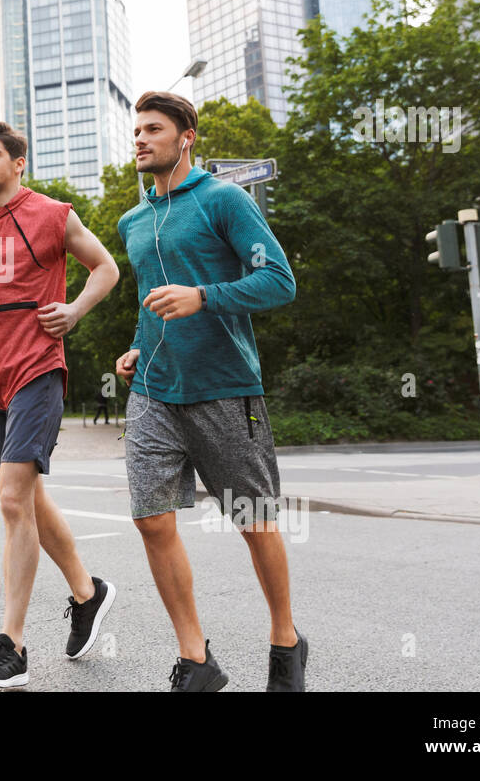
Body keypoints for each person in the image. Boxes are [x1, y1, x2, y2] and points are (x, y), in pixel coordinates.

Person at [114, 91, 306, 692]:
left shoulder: (224, 200)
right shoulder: (133, 220)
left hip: (224, 388)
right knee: (151, 518)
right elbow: (156, 295)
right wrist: (141, 345)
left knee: (254, 520)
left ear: (186, 137)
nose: (140, 139)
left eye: (153, 129)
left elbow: (279, 280)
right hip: (152, 391)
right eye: (136, 130)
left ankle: (285, 642)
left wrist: (206, 297)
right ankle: (196, 659)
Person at [0, 117, 120, 689]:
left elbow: (107, 268)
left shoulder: (53, 215)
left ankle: (12, 647)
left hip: (38, 370)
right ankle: (88, 594)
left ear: (19, 164)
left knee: (13, 500)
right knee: (30, 502)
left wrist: (74, 311)